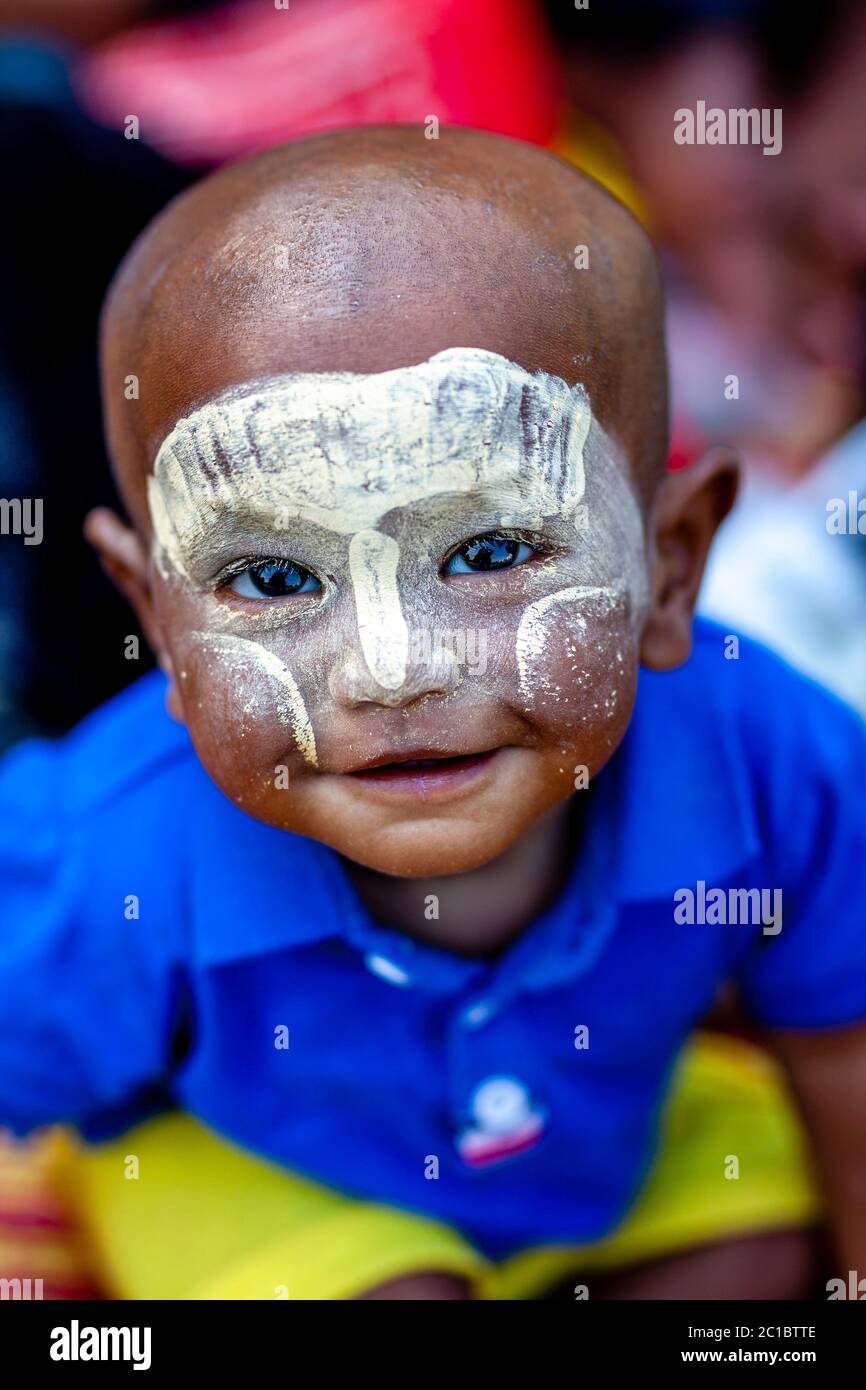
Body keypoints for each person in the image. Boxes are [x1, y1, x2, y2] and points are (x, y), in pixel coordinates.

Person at [2, 128, 865, 1300]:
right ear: (155, 615)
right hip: (261, 1171)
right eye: (271, 579)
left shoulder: (769, 757)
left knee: (762, 1260)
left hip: (588, 1148)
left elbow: (842, 1041)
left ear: (670, 564)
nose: (388, 671)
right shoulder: (109, 865)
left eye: (492, 549)